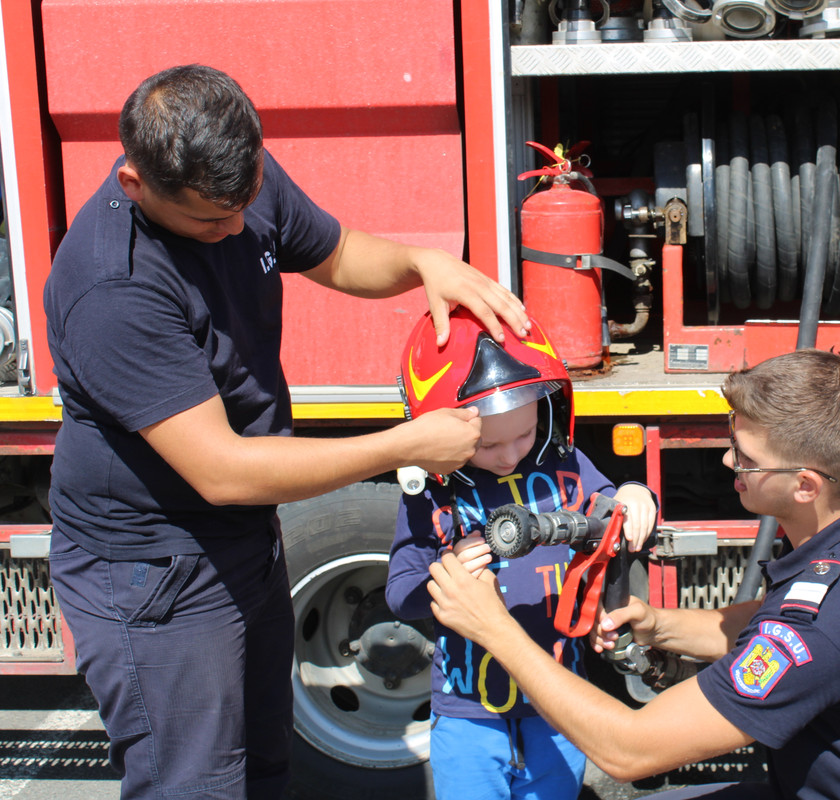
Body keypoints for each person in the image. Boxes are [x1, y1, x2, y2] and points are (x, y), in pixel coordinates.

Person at [42, 64, 529, 800]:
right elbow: (223, 469)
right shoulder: (114, 287)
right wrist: (405, 444)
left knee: (267, 770)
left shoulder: (238, 177)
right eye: (210, 220)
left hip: (241, 540)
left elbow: (334, 253)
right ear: (135, 183)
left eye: (243, 204)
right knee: (195, 786)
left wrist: (421, 263)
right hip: (155, 565)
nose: (235, 226)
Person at [427, 349, 840, 799]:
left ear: (804, 486)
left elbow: (630, 751)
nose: (729, 464)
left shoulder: (827, 619)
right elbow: (769, 619)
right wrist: (658, 624)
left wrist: (494, 627)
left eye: (745, 459)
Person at [385, 307, 657, 800]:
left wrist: (637, 493)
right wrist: (443, 578)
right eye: (488, 445)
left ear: (546, 411)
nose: (510, 455)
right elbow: (401, 595)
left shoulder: (564, 462)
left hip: (558, 705)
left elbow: (610, 507)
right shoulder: (429, 492)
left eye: (524, 435)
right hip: (468, 714)